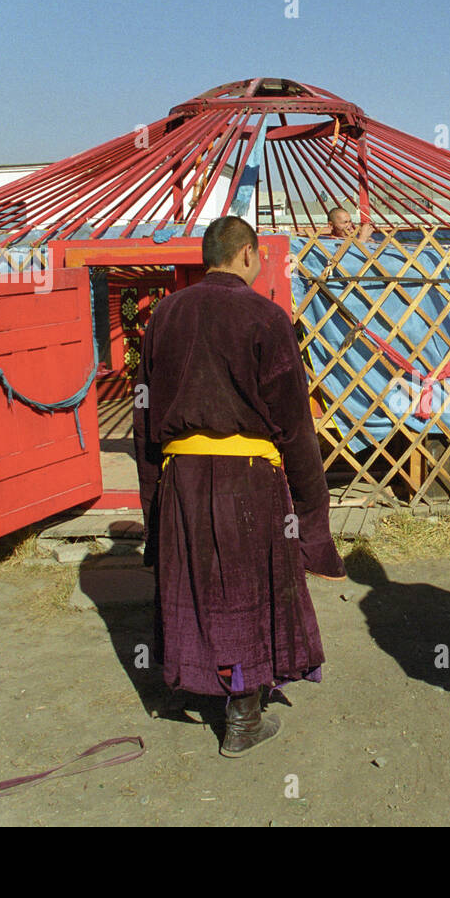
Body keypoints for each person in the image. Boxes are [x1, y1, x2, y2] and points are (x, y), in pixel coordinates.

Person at [134, 216, 346, 758]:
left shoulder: (164, 315)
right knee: (245, 592)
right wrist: (312, 509)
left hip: (181, 475)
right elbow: (294, 421)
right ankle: (244, 718)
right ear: (247, 254)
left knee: (200, 586)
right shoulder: (266, 317)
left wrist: (152, 498)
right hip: (248, 479)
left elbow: (143, 415)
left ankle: (207, 687)